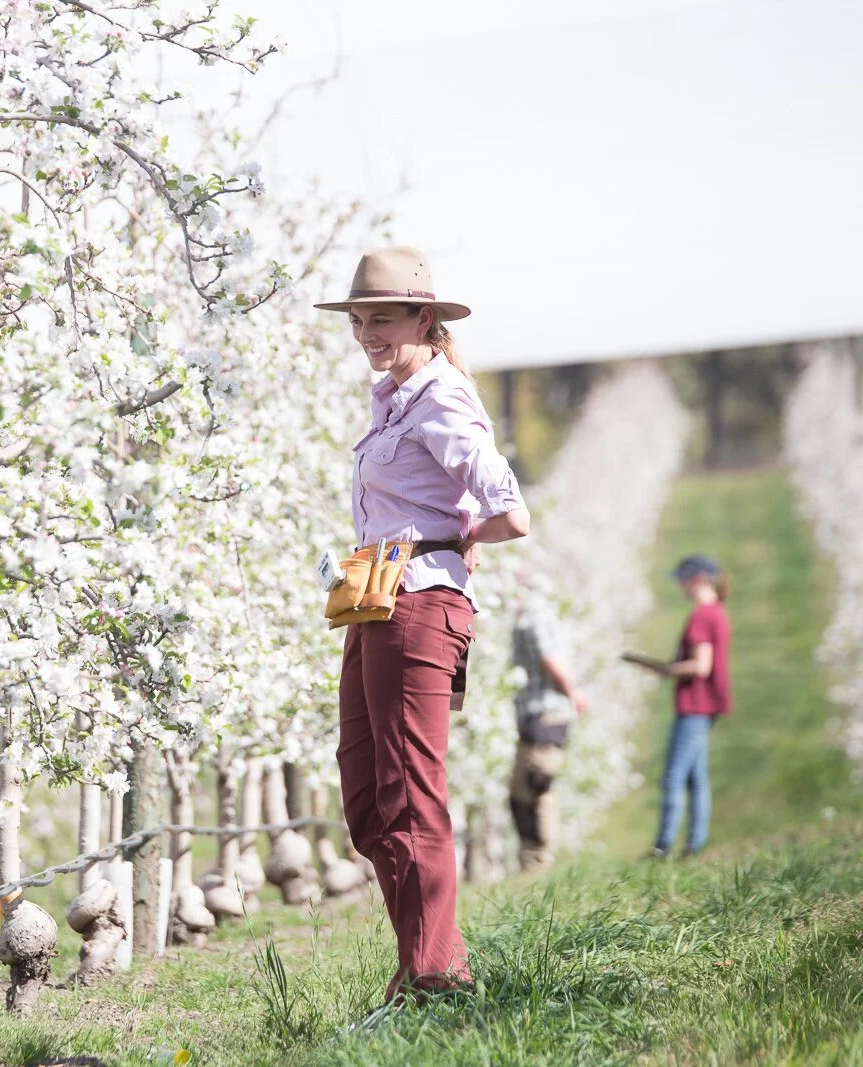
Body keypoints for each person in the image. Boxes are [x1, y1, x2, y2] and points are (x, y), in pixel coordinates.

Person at [315, 246, 530, 1004]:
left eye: (384, 318)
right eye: (360, 319)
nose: (368, 331)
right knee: (369, 796)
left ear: (424, 317)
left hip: (418, 603)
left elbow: (510, 509)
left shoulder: (440, 397)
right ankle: (433, 962)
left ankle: (432, 977)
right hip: (374, 600)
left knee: (411, 791)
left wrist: (462, 535)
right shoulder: (394, 396)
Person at [623, 554, 732, 859]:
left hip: (695, 704)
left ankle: (663, 845)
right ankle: (694, 844)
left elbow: (701, 665)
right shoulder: (717, 613)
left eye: (683, 581)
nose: (681, 587)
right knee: (697, 779)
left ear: (696, 579)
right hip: (707, 705)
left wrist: (666, 669)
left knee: (674, 777)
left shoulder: (702, 616)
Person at [508, 593, 589, 872]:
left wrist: (572, 693)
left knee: (537, 785)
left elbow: (548, 658)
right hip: (538, 713)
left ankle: (538, 861)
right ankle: (530, 861)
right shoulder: (539, 615)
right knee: (523, 789)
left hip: (546, 712)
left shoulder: (535, 616)